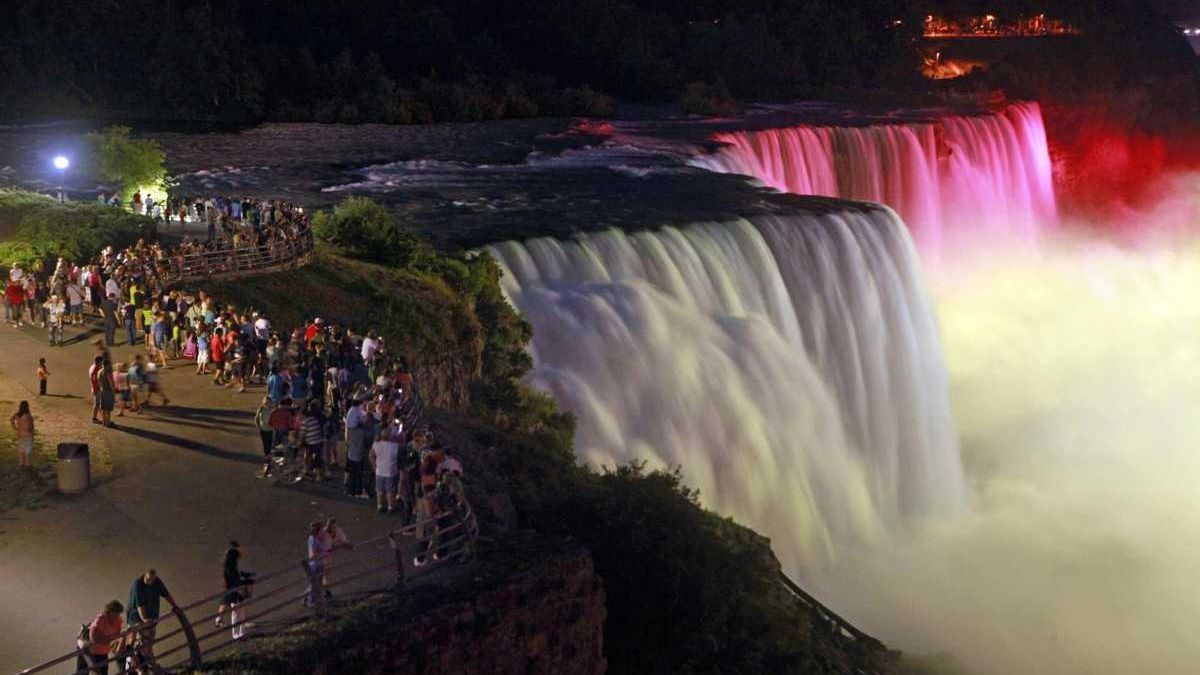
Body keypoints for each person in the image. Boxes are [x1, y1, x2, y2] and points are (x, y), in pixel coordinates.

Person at [125, 569, 179, 659]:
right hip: (137, 619)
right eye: (148, 580)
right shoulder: (138, 585)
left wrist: (175, 606)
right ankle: (147, 664)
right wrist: (144, 619)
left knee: (149, 641)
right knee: (143, 642)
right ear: (144, 576)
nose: (150, 582)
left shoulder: (156, 582)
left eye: (152, 580)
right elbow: (139, 604)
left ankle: (148, 663)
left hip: (151, 618)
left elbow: (166, 594)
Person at [215, 541, 256, 639]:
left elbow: (235, 575)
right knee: (236, 611)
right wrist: (242, 583)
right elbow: (235, 578)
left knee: (234, 608)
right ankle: (237, 633)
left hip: (231, 589)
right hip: (233, 590)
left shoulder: (229, 564)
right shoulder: (230, 566)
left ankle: (239, 630)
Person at [76, 600, 124, 675]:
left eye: (119, 613)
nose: (118, 616)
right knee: (83, 671)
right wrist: (107, 639)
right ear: (111, 612)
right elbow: (93, 638)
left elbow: (116, 635)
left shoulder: (118, 621)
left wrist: (105, 639)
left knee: (102, 672)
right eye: (116, 613)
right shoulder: (100, 619)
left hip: (102, 651)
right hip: (88, 648)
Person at [370, 430, 401, 514]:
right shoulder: (395, 446)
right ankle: (390, 506)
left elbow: (371, 455)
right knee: (390, 491)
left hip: (379, 470)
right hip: (391, 471)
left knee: (379, 490)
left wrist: (374, 466)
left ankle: (380, 505)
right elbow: (399, 457)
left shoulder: (376, 445)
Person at [303, 521, 330, 607]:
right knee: (315, 584)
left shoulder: (313, 539)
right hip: (316, 564)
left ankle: (307, 599)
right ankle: (311, 601)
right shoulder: (313, 540)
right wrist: (324, 553)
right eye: (320, 529)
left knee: (315, 583)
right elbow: (314, 553)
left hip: (317, 563)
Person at [10, 400, 33, 468]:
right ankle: (27, 463)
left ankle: (21, 462)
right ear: (27, 407)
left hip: (20, 434)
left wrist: (14, 427)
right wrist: (32, 434)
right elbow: (31, 425)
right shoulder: (28, 415)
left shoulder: (17, 415)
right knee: (27, 450)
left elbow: (11, 419)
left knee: (21, 448)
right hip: (28, 435)